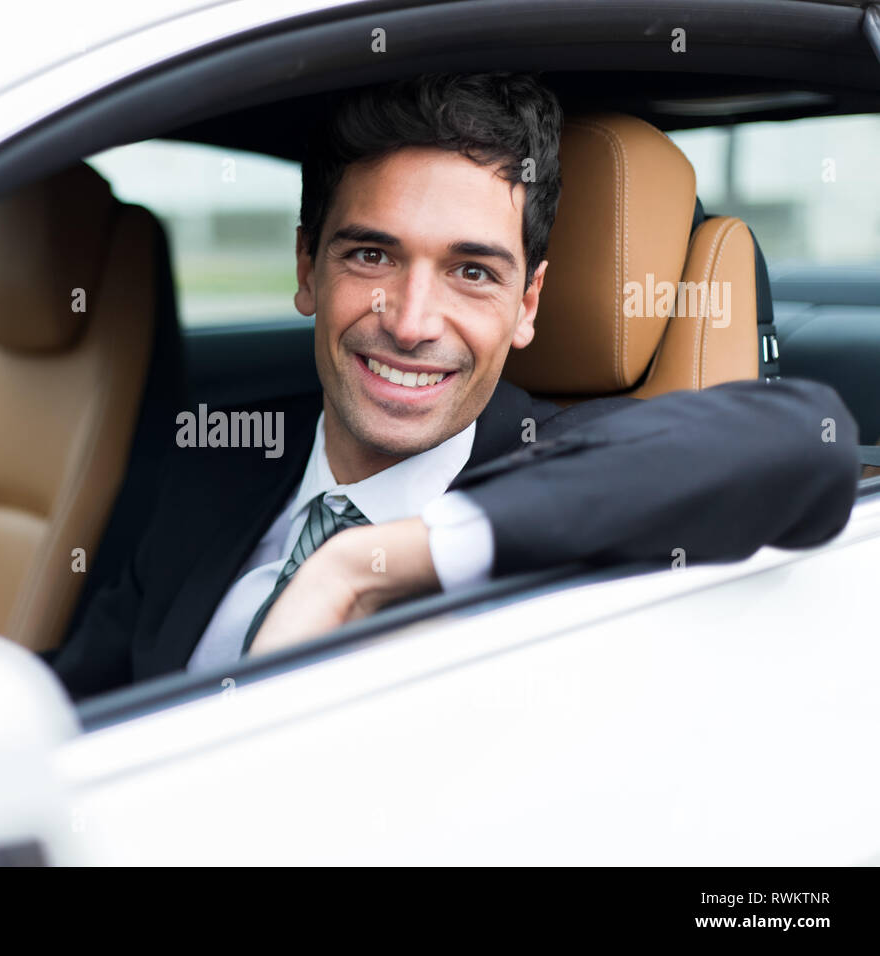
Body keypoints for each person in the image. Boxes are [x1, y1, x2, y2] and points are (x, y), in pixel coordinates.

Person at [49, 73, 858, 700]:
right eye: (371, 256)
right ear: (306, 268)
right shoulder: (217, 456)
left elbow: (803, 439)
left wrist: (366, 565)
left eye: (472, 271)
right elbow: (75, 703)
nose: (410, 321)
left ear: (527, 305)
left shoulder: (567, 479)